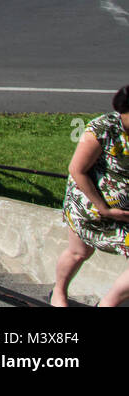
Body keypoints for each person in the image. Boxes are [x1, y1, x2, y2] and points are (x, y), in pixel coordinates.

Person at [52, 86, 129, 306]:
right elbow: (77, 169)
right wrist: (104, 209)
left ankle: (108, 302)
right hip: (91, 206)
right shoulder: (101, 128)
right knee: (79, 252)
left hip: (123, 212)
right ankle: (58, 293)